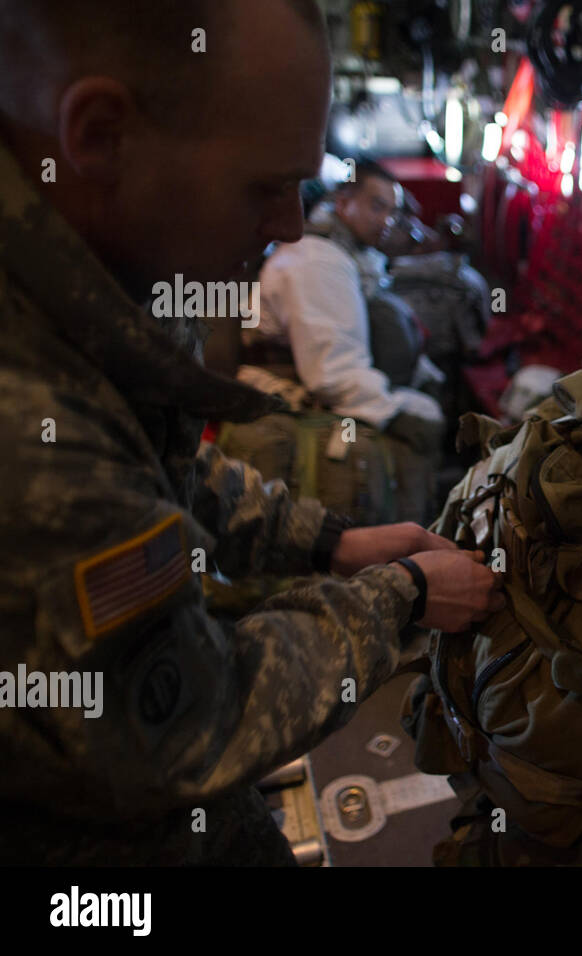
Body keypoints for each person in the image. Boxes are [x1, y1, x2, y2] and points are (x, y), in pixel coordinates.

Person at [0, 0, 501, 865]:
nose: (289, 228)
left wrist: (334, 541)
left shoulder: (94, 284)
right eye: (265, 187)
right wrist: (403, 597)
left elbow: (166, 466)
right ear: (100, 132)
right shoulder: (28, 423)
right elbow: (193, 724)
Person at [254, 160, 449, 462]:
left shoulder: (353, 256)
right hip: (315, 400)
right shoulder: (317, 261)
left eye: (392, 212)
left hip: (358, 386)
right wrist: (392, 413)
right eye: (376, 207)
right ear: (343, 203)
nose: (386, 220)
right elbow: (333, 371)